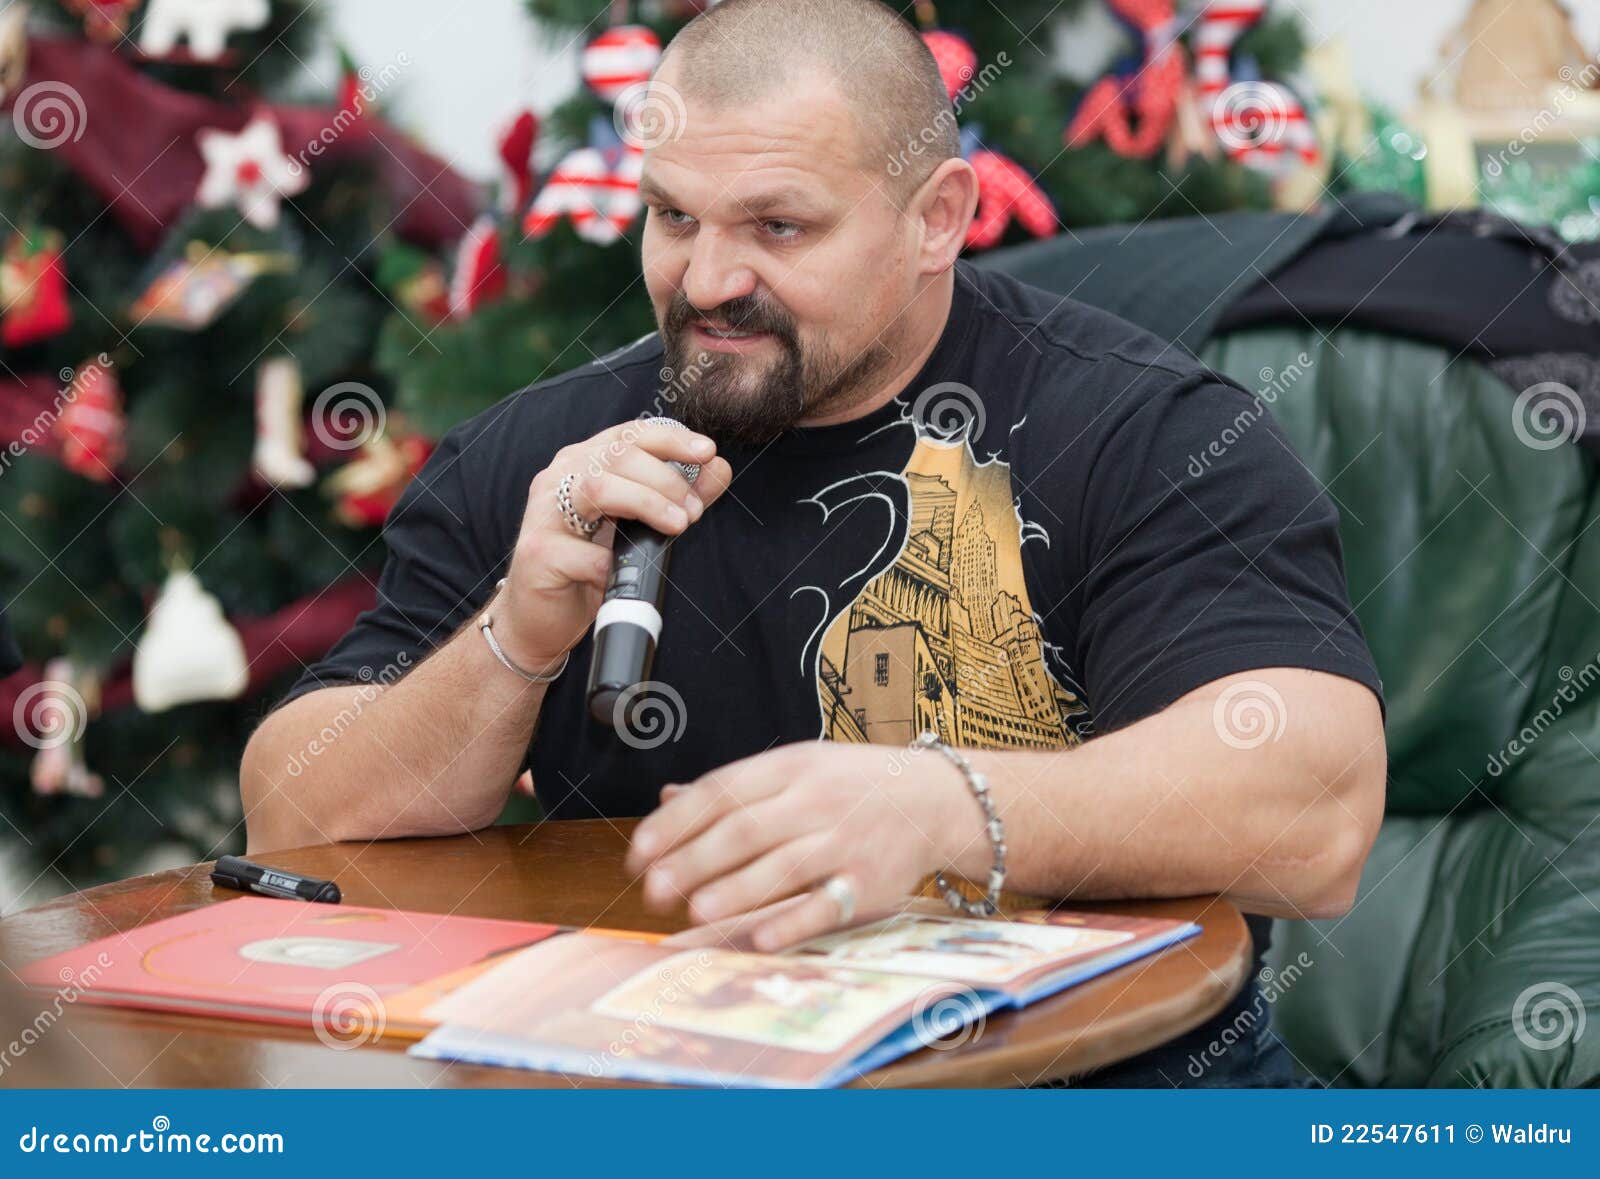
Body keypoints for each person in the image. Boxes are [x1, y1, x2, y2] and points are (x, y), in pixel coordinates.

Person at [241, 0, 1384, 1087]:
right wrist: (517, 635)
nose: (707, 282)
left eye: (778, 227)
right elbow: (294, 820)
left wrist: (951, 810)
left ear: (938, 216)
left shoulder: (1142, 430)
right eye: (674, 217)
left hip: (1094, 1089)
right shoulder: (548, 460)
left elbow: (1317, 806)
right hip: (678, 1082)